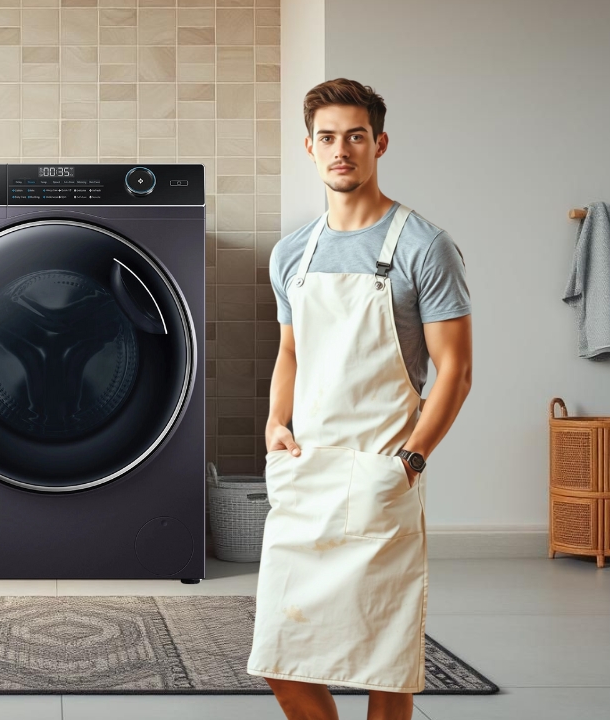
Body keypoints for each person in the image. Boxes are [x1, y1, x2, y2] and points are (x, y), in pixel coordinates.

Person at [245, 78, 473, 720]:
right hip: (307, 474)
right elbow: (291, 352)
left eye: (355, 136)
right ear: (309, 148)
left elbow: (455, 369)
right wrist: (273, 425)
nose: (340, 149)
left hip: (382, 473)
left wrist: (412, 460)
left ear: (379, 144)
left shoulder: (425, 246)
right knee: (282, 662)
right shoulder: (292, 253)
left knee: (384, 665)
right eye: (327, 138)